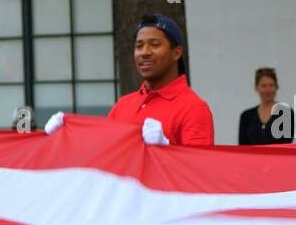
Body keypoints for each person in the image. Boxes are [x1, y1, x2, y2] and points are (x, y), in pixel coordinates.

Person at [45, 14, 215, 146]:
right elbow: (102, 150)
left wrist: (166, 146)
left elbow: (199, 173)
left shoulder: (194, 108)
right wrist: (67, 134)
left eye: (154, 44)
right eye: (139, 46)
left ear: (176, 53)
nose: (144, 52)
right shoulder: (123, 105)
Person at [239, 67, 293, 145]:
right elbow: (242, 147)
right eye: (263, 86)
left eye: (271, 85)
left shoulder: (286, 113)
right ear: (256, 88)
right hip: (251, 157)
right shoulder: (246, 116)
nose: (268, 90)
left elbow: (286, 145)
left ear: (276, 87)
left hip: (277, 157)